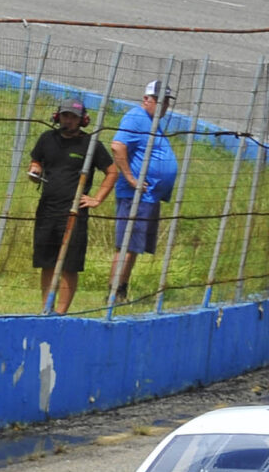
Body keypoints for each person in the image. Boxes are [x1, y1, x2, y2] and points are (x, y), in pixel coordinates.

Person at [27, 99, 113, 316]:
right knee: (47, 261)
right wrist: (35, 171)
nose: (68, 120)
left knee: (69, 264)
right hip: (47, 209)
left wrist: (97, 199)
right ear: (58, 117)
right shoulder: (47, 139)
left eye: (73, 117)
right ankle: (46, 309)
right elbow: (36, 161)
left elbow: (112, 171)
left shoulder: (91, 145)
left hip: (74, 212)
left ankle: (62, 313)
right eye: (65, 115)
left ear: (82, 120)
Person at [105, 79, 180, 303]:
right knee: (127, 244)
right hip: (135, 194)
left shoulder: (153, 122)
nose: (164, 106)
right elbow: (118, 145)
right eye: (159, 101)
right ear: (146, 99)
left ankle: (122, 290)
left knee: (134, 246)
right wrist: (131, 178)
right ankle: (114, 292)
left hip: (150, 195)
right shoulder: (136, 117)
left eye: (166, 102)